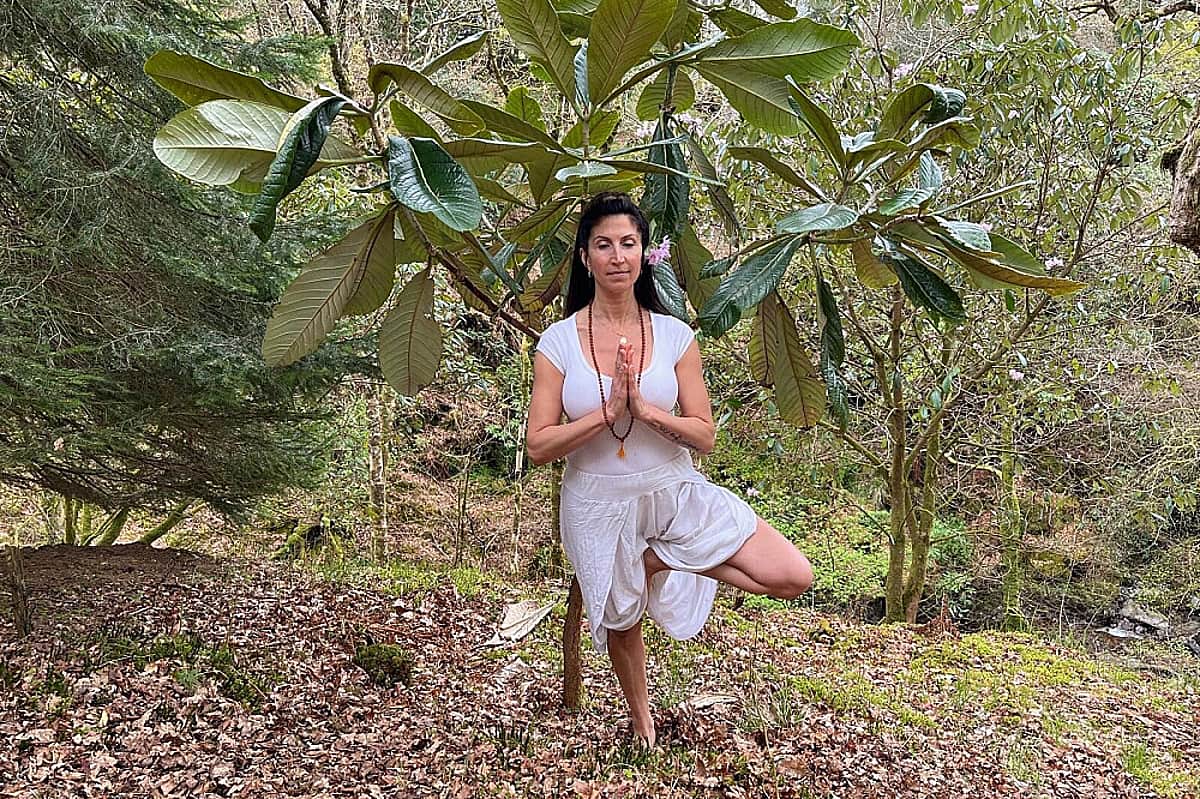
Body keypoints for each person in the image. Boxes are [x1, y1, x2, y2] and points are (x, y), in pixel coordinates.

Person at [526, 192, 814, 747]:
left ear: (644, 253)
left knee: (790, 574)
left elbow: (704, 435)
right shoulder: (558, 342)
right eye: (603, 245)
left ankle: (657, 559)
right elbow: (538, 445)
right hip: (597, 502)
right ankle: (643, 723)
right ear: (585, 257)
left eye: (628, 243)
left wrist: (646, 411)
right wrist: (607, 414)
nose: (617, 256)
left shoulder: (676, 336)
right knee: (621, 619)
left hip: (672, 489)